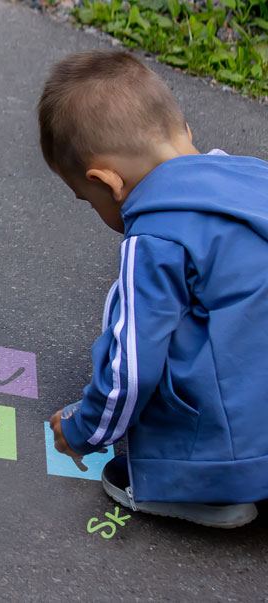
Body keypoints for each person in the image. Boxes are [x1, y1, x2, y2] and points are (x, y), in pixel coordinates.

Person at [38, 49, 268, 528]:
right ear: (185, 132)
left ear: (108, 181)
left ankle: (207, 489)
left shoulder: (156, 236)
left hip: (243, 443)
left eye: (88, 199)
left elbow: (133, 367)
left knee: (147, 326)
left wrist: (85, 429)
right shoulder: (254, 176)